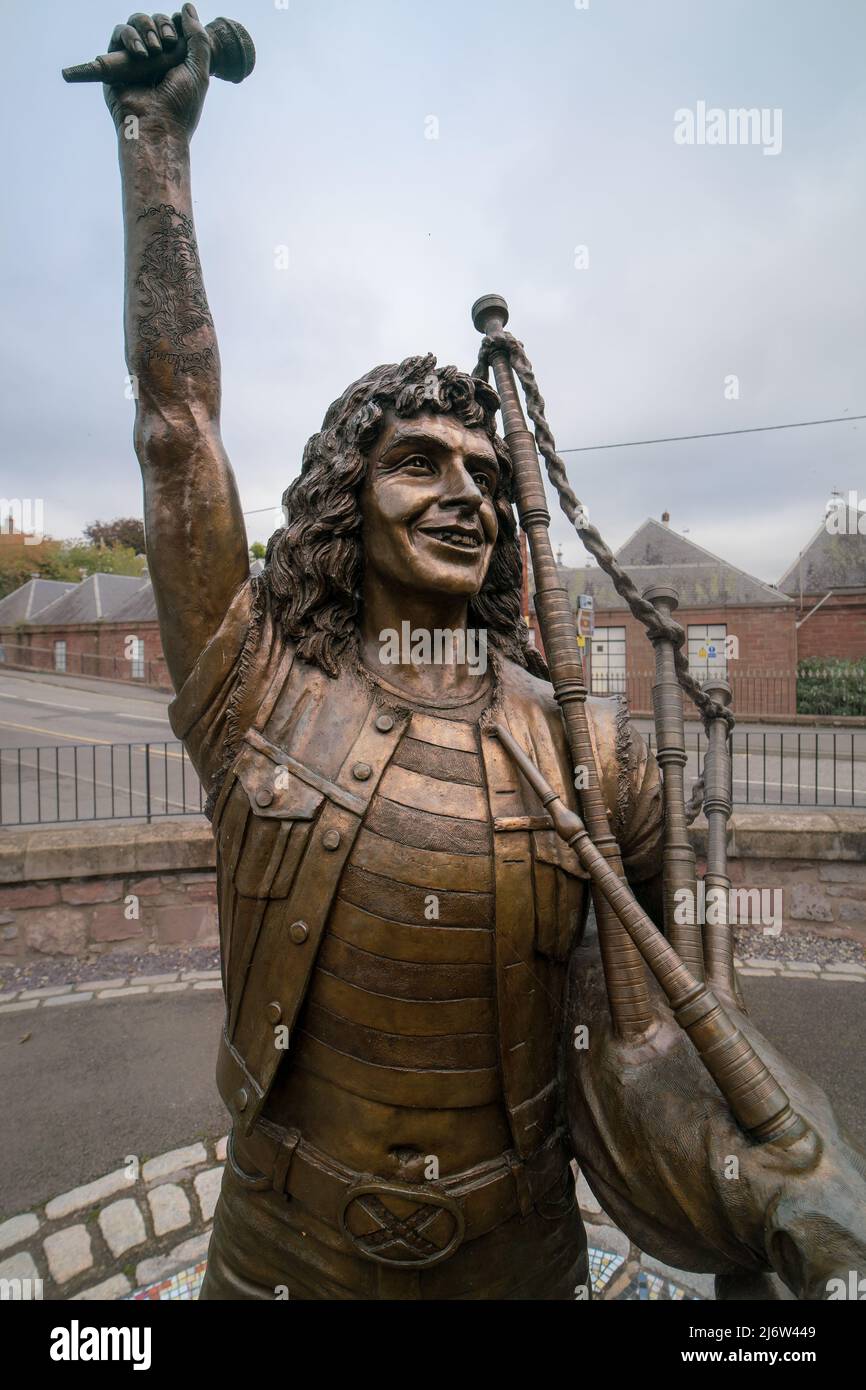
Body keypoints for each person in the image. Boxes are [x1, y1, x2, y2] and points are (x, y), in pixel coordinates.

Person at [105, 7, 866, 1300]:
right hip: (283, 1247)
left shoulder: (588, 756)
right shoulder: (261, 693)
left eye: (479, 473)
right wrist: (154, 157)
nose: (462, 492)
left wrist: (775, 1184)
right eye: (416, 464)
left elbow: (651, 1037)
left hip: (516, 1256)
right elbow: (180, 434)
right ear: (351, 494)